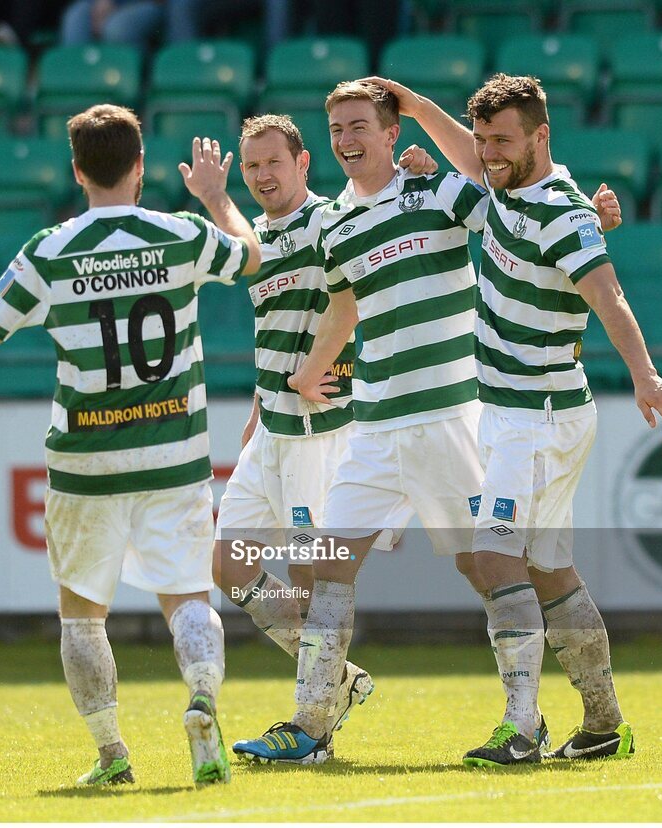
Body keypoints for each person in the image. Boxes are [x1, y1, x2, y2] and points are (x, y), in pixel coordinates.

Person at [231, 80, 625, 765]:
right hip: (375, 427)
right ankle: (312, 723)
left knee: (501, 569)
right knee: (329, 565)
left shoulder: (439, 191)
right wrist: (304, 371)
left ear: (391, 136)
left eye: (359, 126)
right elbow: (343, 307)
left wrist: (589, 214)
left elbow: (521, 215)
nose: (347, 140)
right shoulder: (334, 226)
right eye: (337, 131)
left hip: (452, 419)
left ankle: (552, 717)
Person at [367, 72, 662, 766]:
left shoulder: (564, 213)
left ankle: (522, 725)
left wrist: (644, 373)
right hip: (522, 414)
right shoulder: (508, 189)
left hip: (539, 416)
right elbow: (463, 155)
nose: (487, 153)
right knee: (547, 570)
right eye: (483, 140)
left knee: (493, 554)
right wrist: (419, 107)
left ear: (541, 136)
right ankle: (604, 723)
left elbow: (609, 296)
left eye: (502, 141)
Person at [0, 105, 261, 787]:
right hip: (173, 453)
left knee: (82, 615)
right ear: (140, 167)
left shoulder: (49, 250)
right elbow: (251, 255)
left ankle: (112, 754)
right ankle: (202, 698)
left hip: (86, 463)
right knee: (187, 596)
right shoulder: (181, 235)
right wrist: (214, 197)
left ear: (78, 171)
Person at [214, 113, 439, 762]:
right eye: (251, 166)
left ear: (303, 162)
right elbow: (272, 331)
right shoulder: (258, 237)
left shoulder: (329, 221)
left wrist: (413, 177)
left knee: (316, 582)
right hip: (271, 433)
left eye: (272, 163)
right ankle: (337, 676)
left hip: (321, 435)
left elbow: (369, 259)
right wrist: (258, 408)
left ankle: (313, 728)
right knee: (227, 565)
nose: (261, 176)